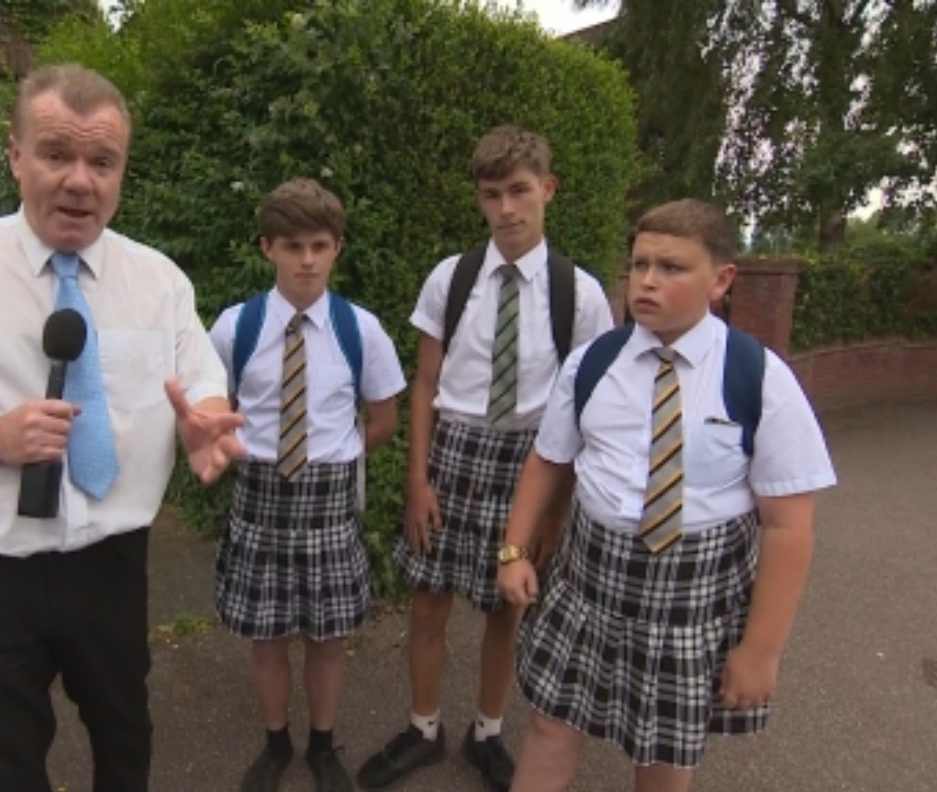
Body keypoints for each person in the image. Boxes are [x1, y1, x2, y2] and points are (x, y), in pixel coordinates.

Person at [0, 64, 244, 792]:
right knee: (2, 771)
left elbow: (201, 384)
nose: (80, 181)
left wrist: (206, 423)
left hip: (110, 565)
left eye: (102, 162)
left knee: (126, 743)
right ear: (15, 155)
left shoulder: (159, 281)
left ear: (122, 172)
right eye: (57, 154)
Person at [497, 199, 837, 792]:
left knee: (663, 752)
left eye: (672, 268)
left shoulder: (758, 378)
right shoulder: (592, 363)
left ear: (721, 281)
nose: (647, 281)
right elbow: (548, 460)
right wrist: (514, 551)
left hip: (689, 603)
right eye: (640, 264)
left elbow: (789, 526)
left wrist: (761, 651)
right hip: (589, 585)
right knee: (551, 725)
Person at [357, 126, 614, 792]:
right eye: (491, 194)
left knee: (507, 607)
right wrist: (417, 480)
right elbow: (425, 384)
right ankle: (423, 728)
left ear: (548, 190)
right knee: (428, 602)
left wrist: (554, 511)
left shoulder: (581, 295)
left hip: (530, 464)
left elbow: (582, 412)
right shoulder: (452, 277)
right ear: (478, 198)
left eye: (519, 191)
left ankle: (488, 733)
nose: (506, 208)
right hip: (453, 454)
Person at [208, 179, 407, 792]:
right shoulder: (234, 328)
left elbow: (384, 418)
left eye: (319, 246)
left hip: (329, 509)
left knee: (327, 640)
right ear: (267, 247)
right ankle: (276, 744)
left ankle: (322, 744)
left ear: (337, 247)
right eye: (293, 246)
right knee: (266, 639)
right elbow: (217, 411)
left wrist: (336, 456)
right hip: (259, 503)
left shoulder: (361, 330)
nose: (307, 261)